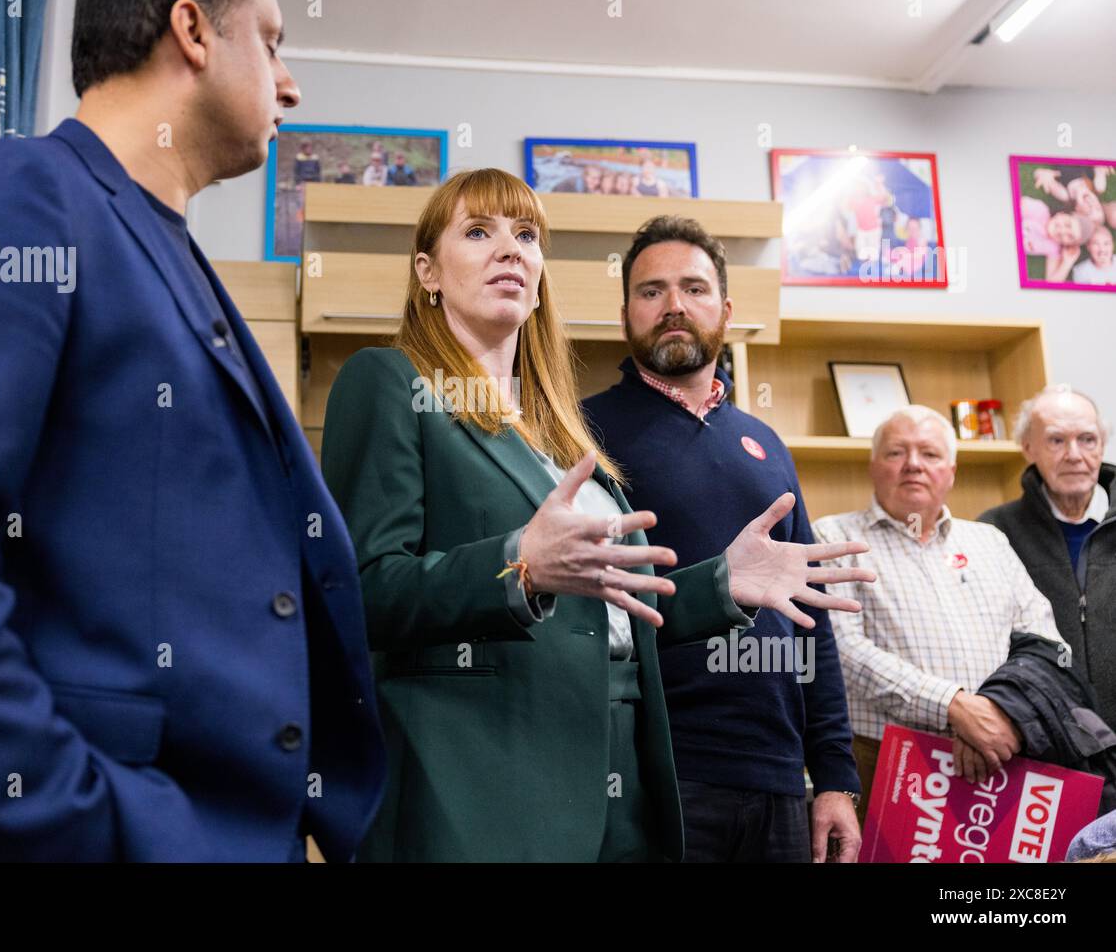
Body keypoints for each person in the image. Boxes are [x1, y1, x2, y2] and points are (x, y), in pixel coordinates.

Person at [0, 0, 384, 862]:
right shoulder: (20, 196)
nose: (289, 85)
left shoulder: (174, 259)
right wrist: (83, 827)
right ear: (193, 30)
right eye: (273, 42)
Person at [320, 168, 876, 862]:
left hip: (618, 783)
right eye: (479, 231)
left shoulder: (556, 429)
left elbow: (600, 613)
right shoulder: (390, 381)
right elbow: (364, 592)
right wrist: (519, 570)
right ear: (428, 271)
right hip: (481, 786)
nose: (511, 250)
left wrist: (719, 585)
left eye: (526, 235)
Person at [583, 216, 862, 864]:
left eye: (693, 288)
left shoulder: (767, 446)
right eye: (651, 291)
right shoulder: (584, 434)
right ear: (625, 312)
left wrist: (835, 777)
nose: (674, 305)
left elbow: (812, 618)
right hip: (652, 771)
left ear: (726, 310)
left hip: (778, 778)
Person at [812, 407, 1064, 816]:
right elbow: (841, 649)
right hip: (885, 765)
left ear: (951, 470)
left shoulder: (989, 541)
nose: (913, 464)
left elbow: (1043, 638)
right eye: (896, 453)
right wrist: (954, 707)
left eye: (929, 454)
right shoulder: (833, 537)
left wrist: (999, 712)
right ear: (873, 466)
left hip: (1002, 756)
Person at [980, 386, 1115, 726]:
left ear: (1102, 444)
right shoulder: (992, 533)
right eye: (1056, 441)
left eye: (1087, 439)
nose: (1074, 454)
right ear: (1028, 448)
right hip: (1046, 738)